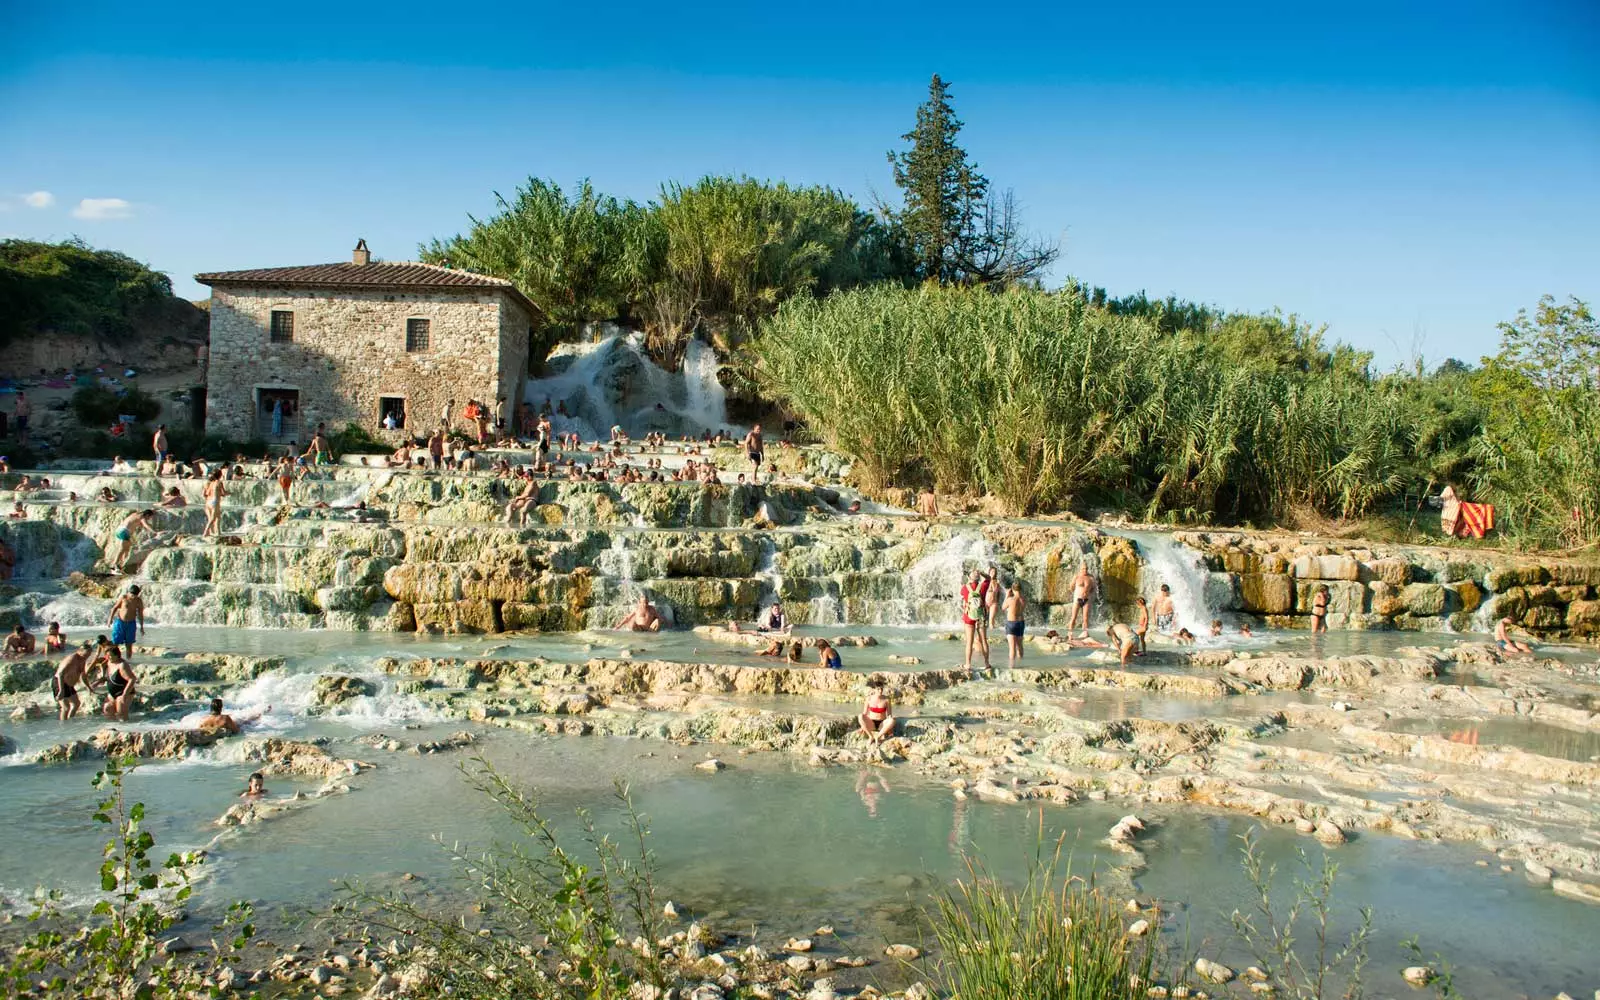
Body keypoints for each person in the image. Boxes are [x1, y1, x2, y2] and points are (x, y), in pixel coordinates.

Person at [52, 641, 102, 720]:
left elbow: (83, 675)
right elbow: (60, 674)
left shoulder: (83, 659)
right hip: (59, 682)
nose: (87, 657)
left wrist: (88, 687)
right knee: (66, 707)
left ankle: (69, 722)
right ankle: (63, 727)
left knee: (76, 704)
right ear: (79, 651)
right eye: (85, 654)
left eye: (89, 654)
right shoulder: (72, 659)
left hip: (69, 685)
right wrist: (61, 691)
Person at [959, 567, 993, 675]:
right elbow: (989, 578)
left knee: (969, 641)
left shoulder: (964, 588)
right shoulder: (983, 586)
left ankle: (968, 664)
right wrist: (981, 572)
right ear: (978, 578)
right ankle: (987, 664)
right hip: (981, 617)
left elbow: (963, 599)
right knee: (983, 641)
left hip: (968, 617)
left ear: (969, 577)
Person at [107, 585, 145, 661]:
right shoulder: (124, 598)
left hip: (131, 624)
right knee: (115, 643)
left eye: (135, 595)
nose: (134, 596)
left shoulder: (138, 601)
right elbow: (114, 608)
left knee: (129, 645)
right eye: (132, 595)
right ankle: (112, 659)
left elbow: (140, 614)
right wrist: (110, 619)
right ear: (129, 592)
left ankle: (128, 662)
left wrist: (141, 627)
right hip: (120, 622)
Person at [197, 696, 268, 735]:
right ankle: (262, 712)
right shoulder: (225, 718)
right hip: (234, 723)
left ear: (211, 708)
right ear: (221, 708)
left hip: (214, 729)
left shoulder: (203, 719)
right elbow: (236, 731)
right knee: (247, 721)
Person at [100, 648, 137, 721]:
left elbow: (132, 679)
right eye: (107, 655)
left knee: (121, 714)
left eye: (110, 655)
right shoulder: (109, 661)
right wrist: (103, 676)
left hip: (123, 692)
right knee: (107, 709)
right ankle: (113, 728)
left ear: (117, 655)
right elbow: (102, 664)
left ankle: (125, 729)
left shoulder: (122, 665)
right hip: (112, 693)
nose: (108, 657)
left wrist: (125, 694)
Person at [858, 677, 895, 744]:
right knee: (860, 716)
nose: (880, 691)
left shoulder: (886, 699)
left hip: (882, 724)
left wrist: (890, 728)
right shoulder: (869, 698)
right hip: (871, 723)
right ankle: (871, 737)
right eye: (878, 689)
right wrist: (862, 726)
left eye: (881, 689)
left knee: (892, 720)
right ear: (874, 689)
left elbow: (889, 714)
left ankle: (878, 737)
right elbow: (864, 713)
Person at [1067, 563, 1095, 639]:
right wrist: (1077, 594)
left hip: (1086, 600)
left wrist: (1087, 594)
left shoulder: (1091, 578)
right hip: (1077, 599)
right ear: (1080, 569)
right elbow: (1071, 587)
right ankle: (1070, 634)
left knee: (1085, 618)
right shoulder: (1077, 577)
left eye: (1086, 568)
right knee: (1073, 617)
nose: (1085, 570)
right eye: (1083, 568)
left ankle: (1085, 633)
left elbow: (1093, 588)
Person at [1002, 583, 1026, 667]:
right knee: (1019, 645)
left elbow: (1003, 607)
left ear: (1012, 589)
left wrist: (1006, 596)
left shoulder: (1011, 599)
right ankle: (1021, 664)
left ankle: (1012, 667)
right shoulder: (1023, 599)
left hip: (1011, 623)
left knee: (1012, 647)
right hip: (1021, 623)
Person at [202, 468, 226, 537]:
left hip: (208, 501)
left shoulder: (210, 483)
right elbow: (223, 493)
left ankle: (218, 532)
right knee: (213, 518)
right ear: (220, 475)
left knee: (218, 516)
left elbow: (205, 494)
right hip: (215, 501)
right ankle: (206, 532)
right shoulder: (219, 482)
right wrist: (230, 493)